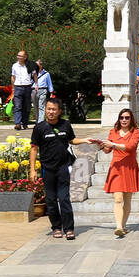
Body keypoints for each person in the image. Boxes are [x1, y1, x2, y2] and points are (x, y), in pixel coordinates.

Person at [31, 98, 95, 240]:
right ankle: (56, 227)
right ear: (45, 110)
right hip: (47, 169)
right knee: (51, 200)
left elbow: (72, 140)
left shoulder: (65, 124)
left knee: (64, 198)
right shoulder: (39, 127)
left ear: (59, 111)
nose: (51, 112)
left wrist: (85, 140)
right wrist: (32, 170)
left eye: (54, 109)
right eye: (48, 109)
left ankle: (69, 229)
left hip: (63, 168)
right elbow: (34, 149)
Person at [96, 108, 139, 238]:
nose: (124, 120)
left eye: (127, 118)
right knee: (117, 198)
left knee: (127, 200)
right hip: (116, 167)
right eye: (122, 117)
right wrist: (102, 145)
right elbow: (107, 150)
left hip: (129, 167)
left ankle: (123, 225)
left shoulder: (136, 132)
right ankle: (119, 226)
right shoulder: (113, 132)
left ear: (131, 119)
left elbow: (130, 147)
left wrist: (113, 144)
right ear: (119, 119)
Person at [10, 50, 33, 129]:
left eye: (20, 56)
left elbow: (35, 75)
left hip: (27, 87)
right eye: (18, 55)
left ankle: (25, 123)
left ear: (25, 57)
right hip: (18, 87)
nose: (18, 57)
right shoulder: (14, 66)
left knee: (26, 106)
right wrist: (13, 88)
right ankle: (18, 123)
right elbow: (13, 77)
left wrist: (36, 84)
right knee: (17, 106)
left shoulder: (30, 65)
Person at [34, 60, 54, 124]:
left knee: (41, 106)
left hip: (43, 90)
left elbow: (49, 83)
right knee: (35, 106)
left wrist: (51, 92)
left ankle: (40, 122)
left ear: (41, 65)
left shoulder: (46, 74)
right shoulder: (33, 73)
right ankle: (37, 120)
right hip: (34, 91)